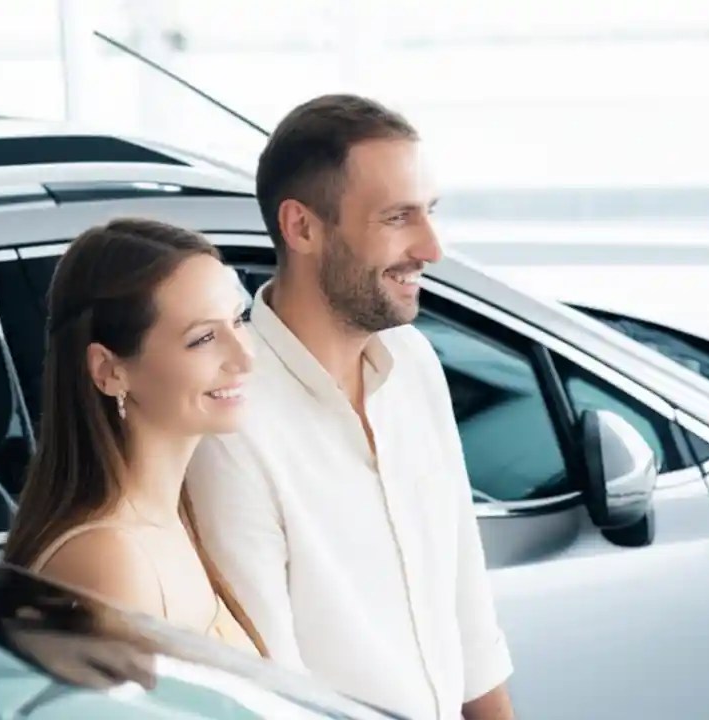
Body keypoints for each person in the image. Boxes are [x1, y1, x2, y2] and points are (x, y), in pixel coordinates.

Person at [185, 94, 517, 719]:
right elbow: (271, 692)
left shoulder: (415, 362)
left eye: (430, 213)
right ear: (302, 227)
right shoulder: (230, 417)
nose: (431, 247)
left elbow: (469, 618)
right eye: (398, 218)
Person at [1, 218, 264, 658]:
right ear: (109, 370)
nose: (244, 357)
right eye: (202, 338)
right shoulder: (109, 560)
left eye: (238, 320)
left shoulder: (165, 520)